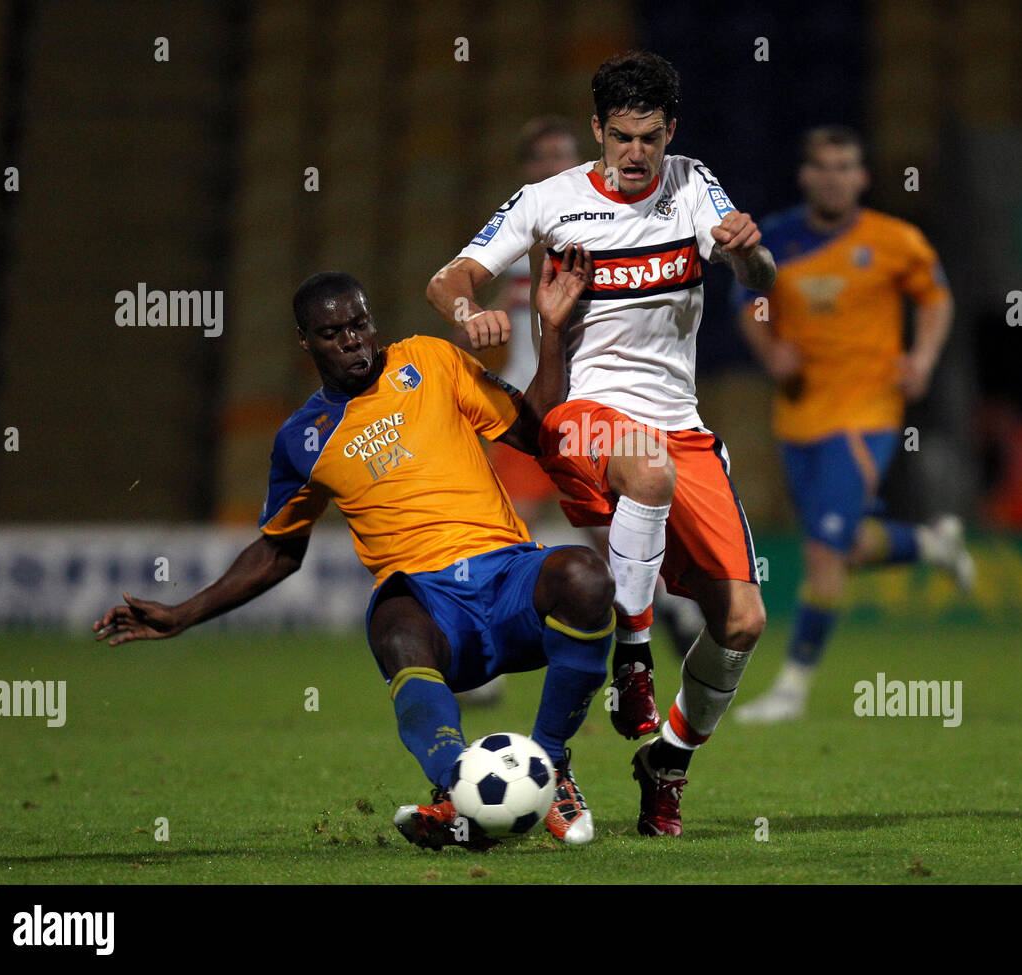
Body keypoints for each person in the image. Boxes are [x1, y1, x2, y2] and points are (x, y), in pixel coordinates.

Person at [92, 248, 613, 849]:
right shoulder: (300, 440)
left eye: (359, 323)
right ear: (305, 342)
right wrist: (184, 613)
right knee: (390, 620)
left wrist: (551, 330)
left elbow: (540, 430)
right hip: (429, 606)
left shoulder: (431, 360)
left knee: (585, 576)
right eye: (332, 333)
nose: (352, 341)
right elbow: (278, 551)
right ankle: (457, 794)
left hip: (504, 577)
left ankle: (549, 766)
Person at [426, 50, 776, 836]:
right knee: (645, 474)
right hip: (582, 417)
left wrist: (751, 251)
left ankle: (667, 761)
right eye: (620, 137)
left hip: (678, 426)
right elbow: (451, 276)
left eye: (649, 138)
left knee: (743, 620)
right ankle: (631, 657)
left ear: (669, 132)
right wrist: (466, 314)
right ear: (597, 130)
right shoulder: (550, 200)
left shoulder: (693, 184)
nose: (634, 154)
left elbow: (763, 279)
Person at [734, 125, 973, 725]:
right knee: (841, 547)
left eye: (846, 166)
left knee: (822, 553)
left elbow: (937, 299)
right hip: (797, 418)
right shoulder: (778, 239)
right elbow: (750, 304)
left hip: (866, 416)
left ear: (862, 177)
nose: (835, 176)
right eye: (824, 166)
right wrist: (770, 352)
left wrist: (921, 359)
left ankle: (791, 687)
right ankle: (931, 541)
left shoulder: (894, 240)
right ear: (806, 175)